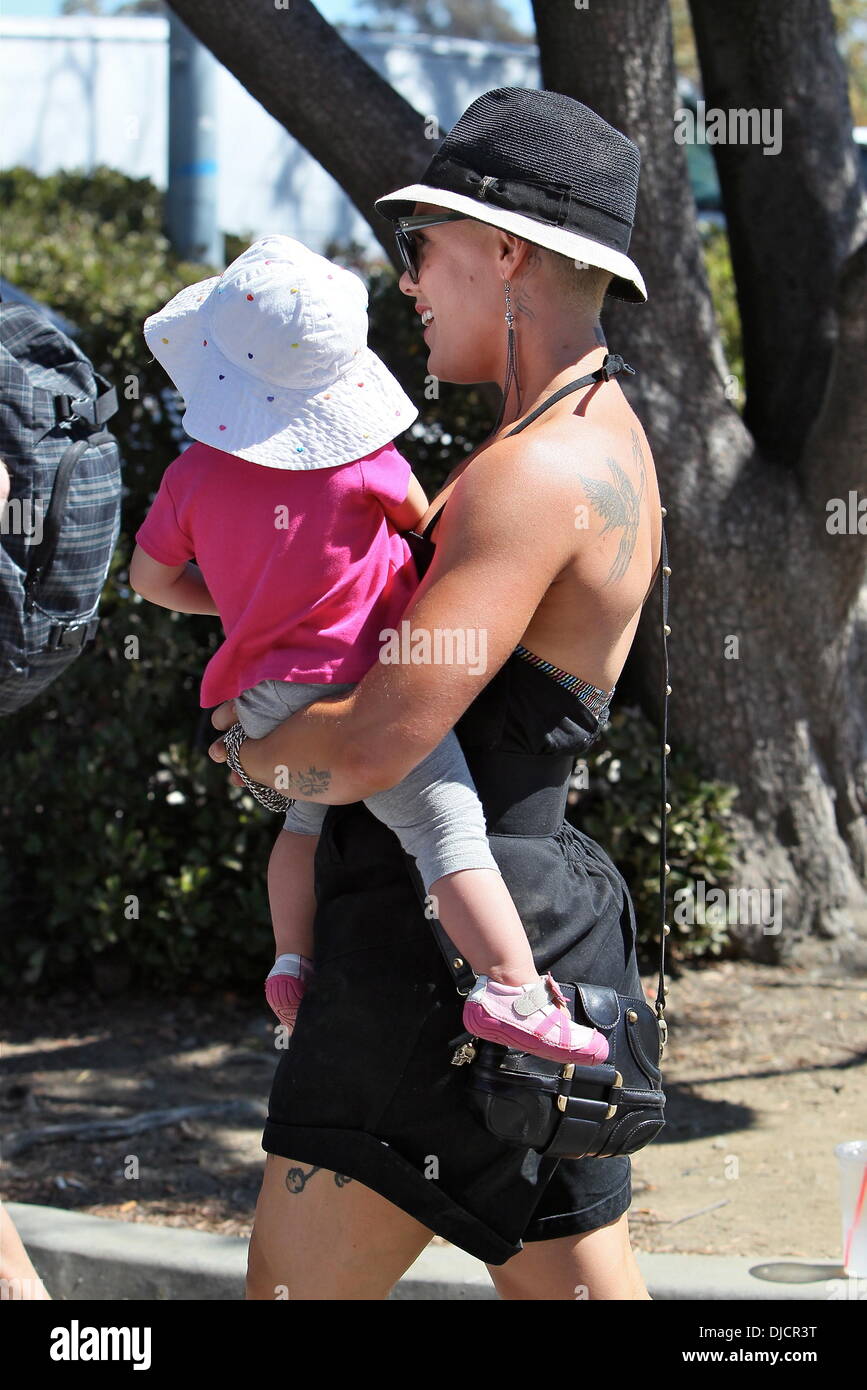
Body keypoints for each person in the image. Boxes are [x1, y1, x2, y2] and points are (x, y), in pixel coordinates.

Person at [209, 87, 660, 1300]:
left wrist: (257, 759)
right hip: (532, 932)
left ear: (505, 254)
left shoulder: (531, 475)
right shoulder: (600, 439)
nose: (407, 284)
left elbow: (373, 744)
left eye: (424, 249)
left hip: (427, 958)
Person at [130, 235, 609, 1066]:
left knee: (303, 825)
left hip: (268, 688)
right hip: (364, 680)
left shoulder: (193, 478)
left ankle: (290, 957)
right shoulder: (364, 464)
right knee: (446, 829)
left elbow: (149, 579)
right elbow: (427, 531)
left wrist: (236, 606)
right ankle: (510, 988)